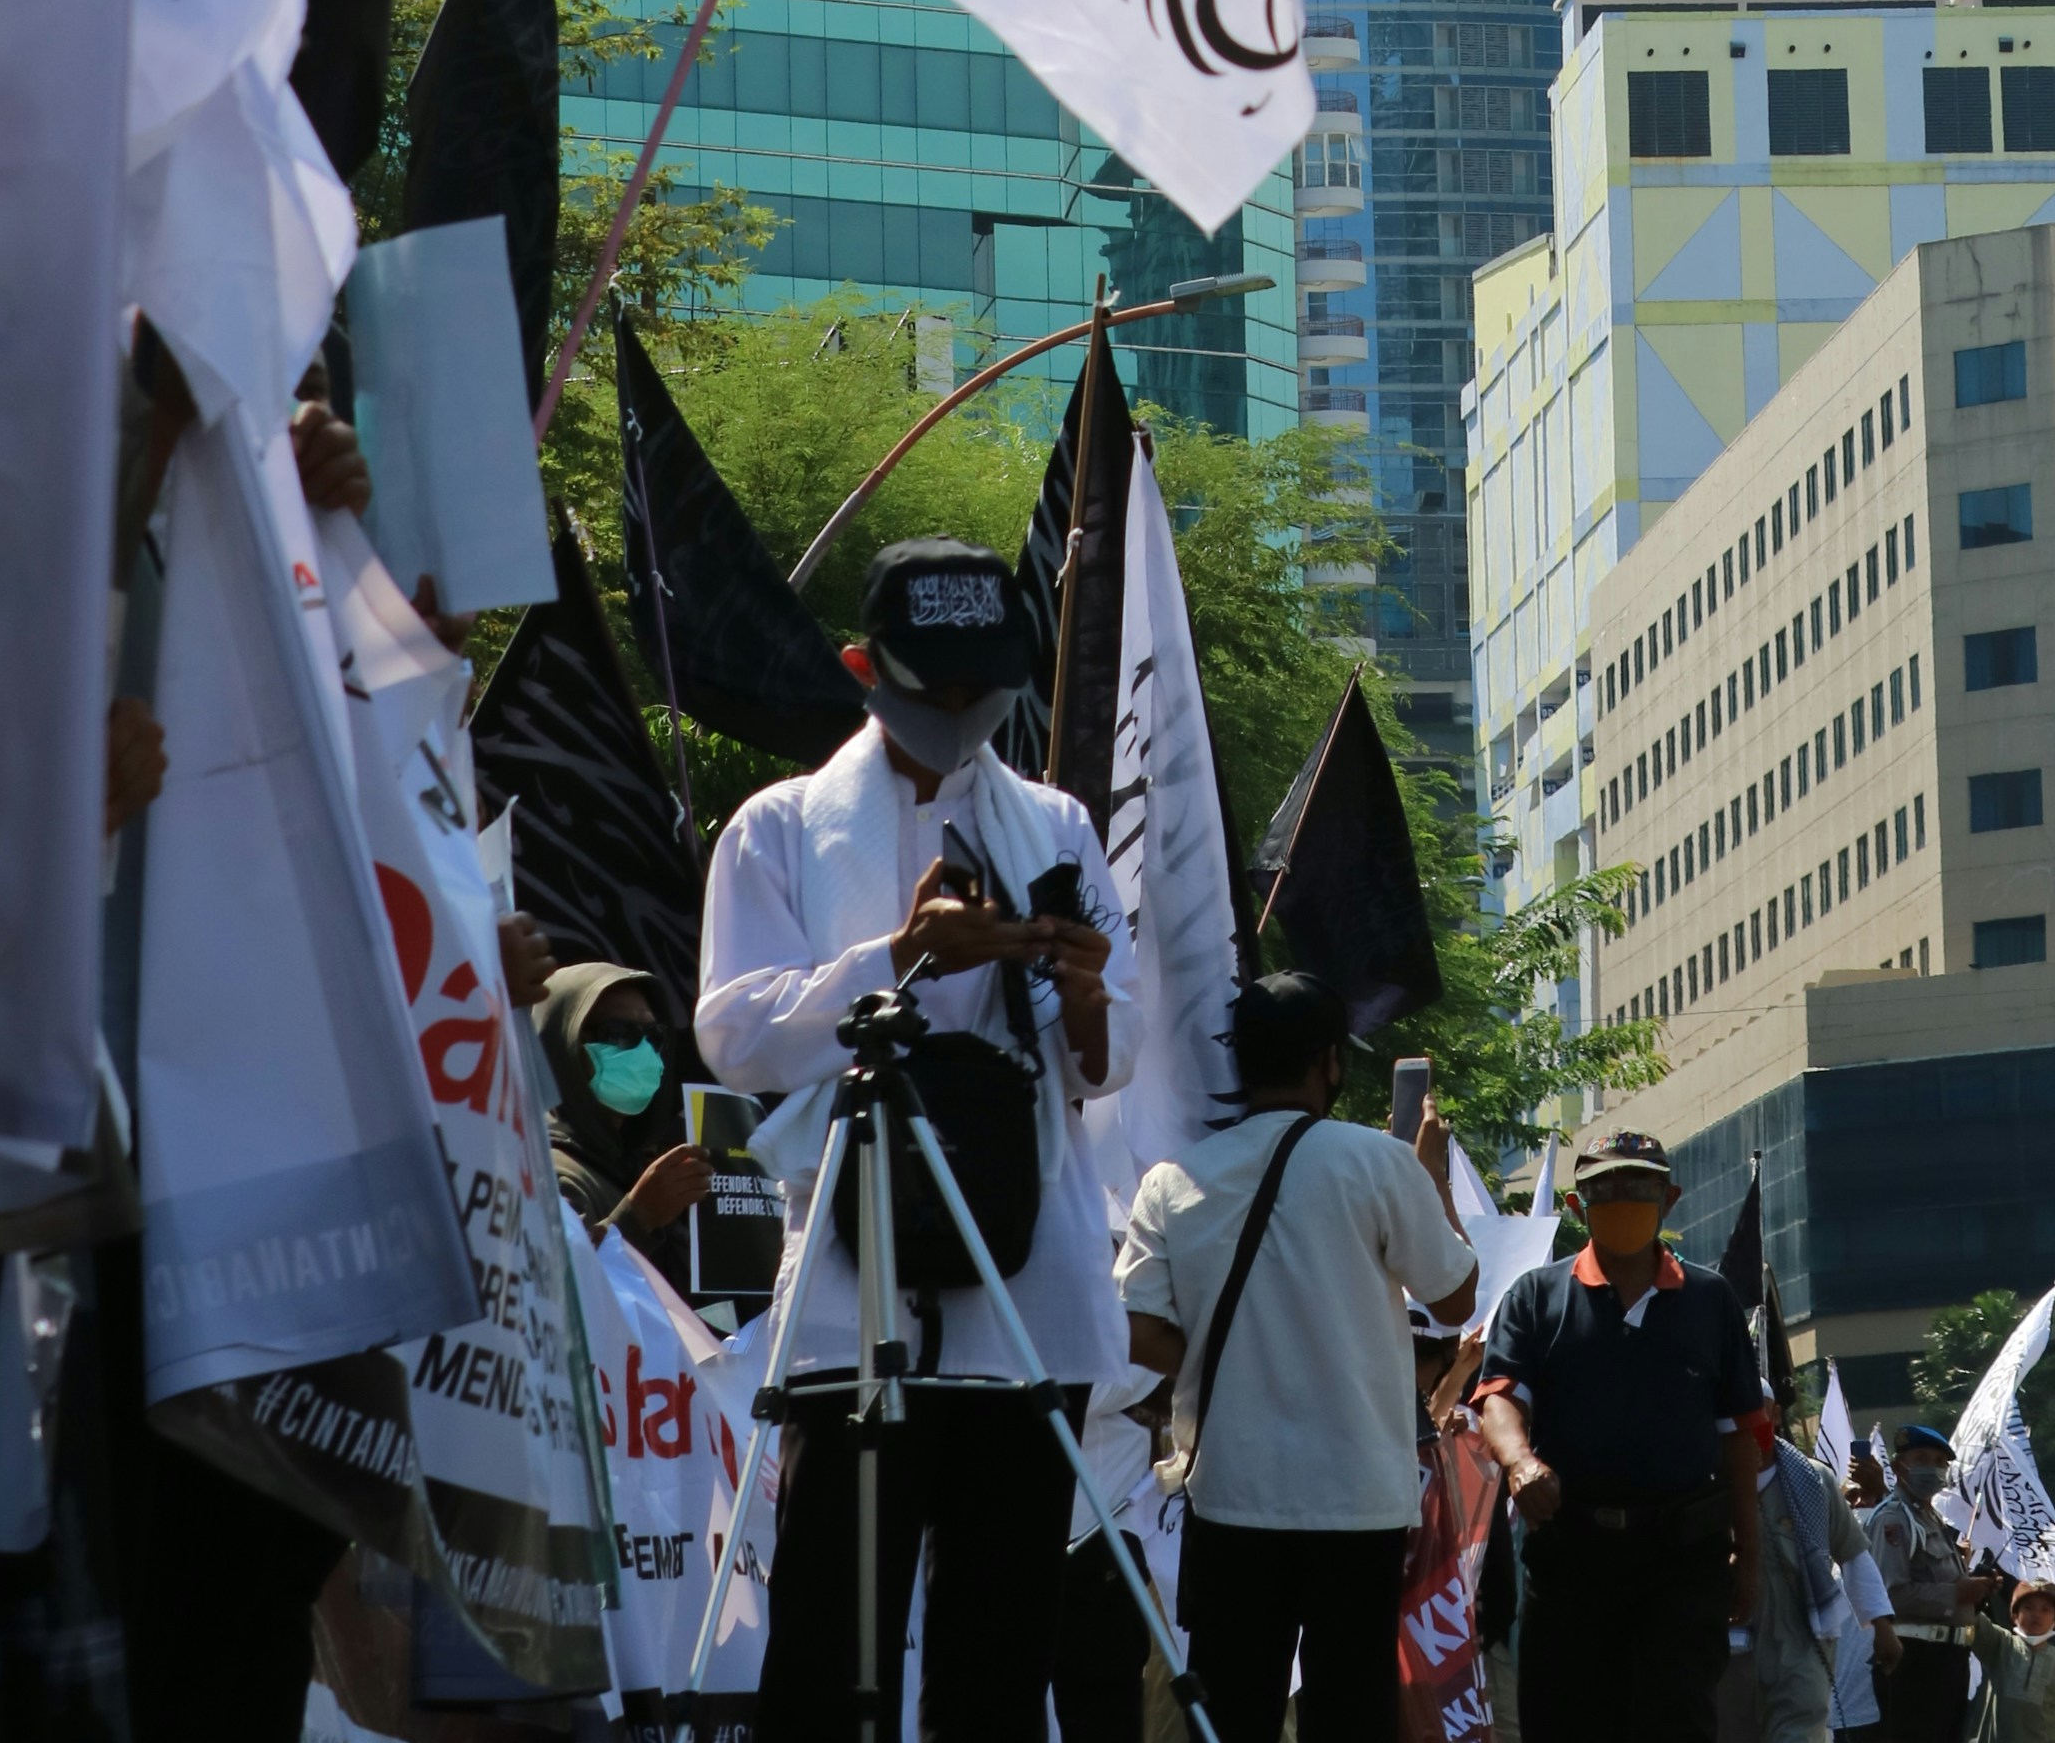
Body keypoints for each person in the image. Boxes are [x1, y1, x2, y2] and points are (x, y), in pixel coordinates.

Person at [697, 533, 1136, 1743]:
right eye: (929, 684)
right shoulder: (777, 827)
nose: (955, 711)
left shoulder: (1051, 825)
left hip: (1022, 1283)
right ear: (861, 665)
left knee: (998, 1656)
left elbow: (1119, 1057)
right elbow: (734, 1034)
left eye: (979, 687)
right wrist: (899, 958)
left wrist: (1083, 990)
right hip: (855, 1283)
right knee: (832, 1649)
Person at [1115, 970, 1477, 1743]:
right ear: (1328, 1063)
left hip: (1232, 1495)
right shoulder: (1377, 1163)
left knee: (1233, 1711)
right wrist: (1433, 1175)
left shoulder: (1171, 1182)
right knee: (1351, 1712)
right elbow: (1454, 1301)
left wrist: (1223, 1358)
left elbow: (1139, 1332)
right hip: (1359, 1500)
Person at [1473, 1126, 1768, 1743]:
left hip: (1683, 1562)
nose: (1623, 1197)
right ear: (1577, 1205)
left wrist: (1750, 1553)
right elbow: (1498, 1399)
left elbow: (1739, 1436)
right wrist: (1521, 1463)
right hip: (1570, 1559)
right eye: (1603, 1186)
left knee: (1676, 1721)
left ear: (1671, 1198)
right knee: (1565, 1723)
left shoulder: (1711, 1301)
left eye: (1640, 1184)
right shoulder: (1536, 1297)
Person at [539, 963, 713, 1283]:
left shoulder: (639, 1165)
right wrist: (640, 1216)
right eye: (619, 1034)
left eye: (653, 1036)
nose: (644, 1051)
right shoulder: (546, 1173)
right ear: (562, 1042)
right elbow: (566, 1296)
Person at [1749, 1416, 1900, 1743]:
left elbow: (1852, 1553)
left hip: (1800, 1631)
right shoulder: (1706, 1479)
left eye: (1759, 1413)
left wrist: (1881, 1626)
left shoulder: (1814, 1480)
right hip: (1732, 1634)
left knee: (1801, 1725)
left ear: (1773, 1416)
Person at [1866, 1423, 1995, 1743]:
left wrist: (1976, 1589)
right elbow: (1889, 1596)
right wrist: (1956, 1593)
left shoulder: (1932, 1519)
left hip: (1949, 1660)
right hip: (1914, 1659)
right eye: (1922, 1459)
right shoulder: (1893, 1518)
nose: (1933, 1469)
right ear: (1899, 1467)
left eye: (1940, 1463)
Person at [1976, 1585, 2055, 1743]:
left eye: (2045, 1610)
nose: (2036, 1614)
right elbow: (1972, 1617)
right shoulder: (2000, 1644)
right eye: (2028, 1607)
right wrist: (1977, 1590)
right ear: (2014, 1615)